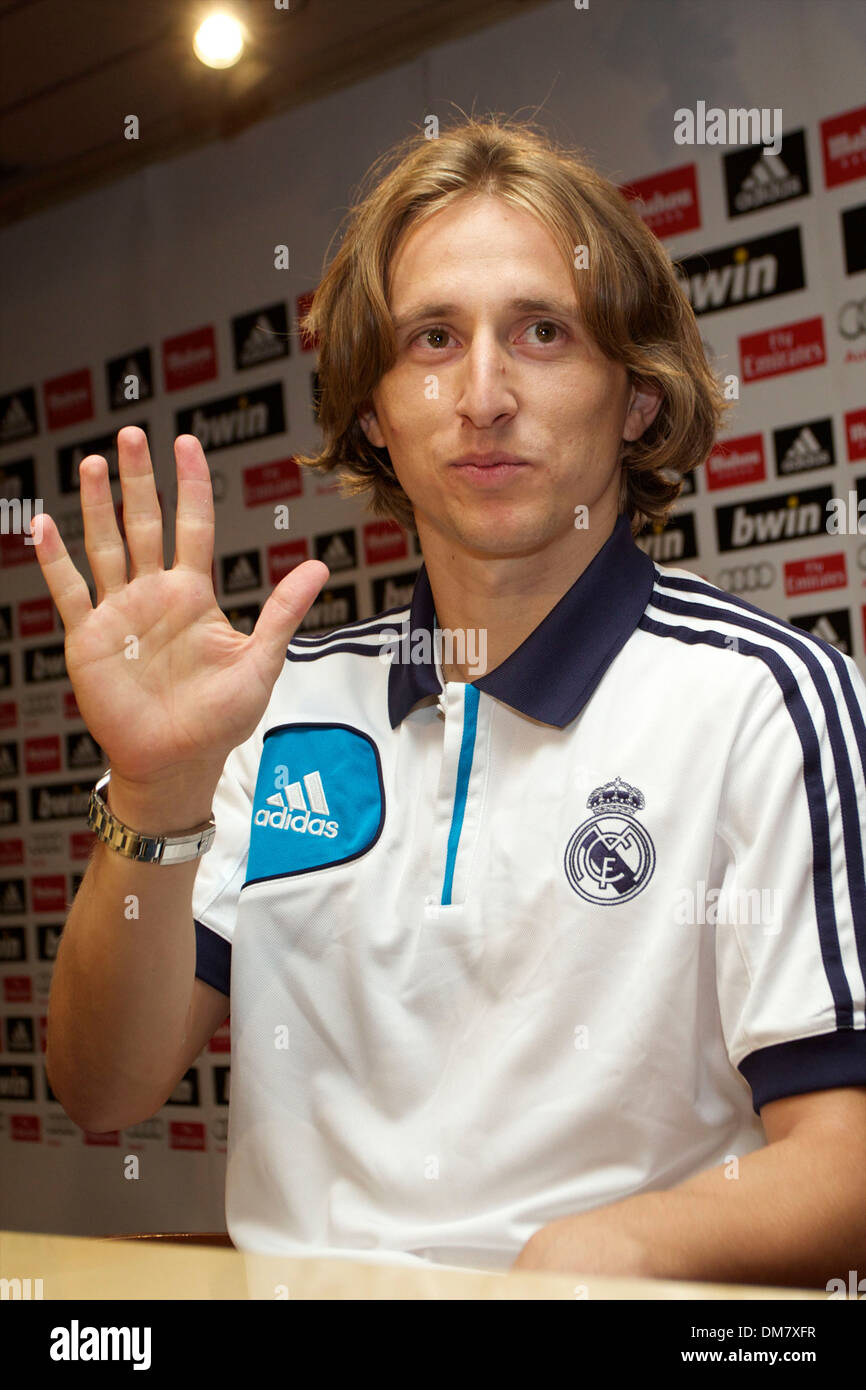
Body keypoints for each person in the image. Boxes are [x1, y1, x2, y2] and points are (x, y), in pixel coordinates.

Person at [37, 116, 866, 1285]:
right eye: (431, 339)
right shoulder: (274, 709)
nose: (481, 394)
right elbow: (103, 1086)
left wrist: (594, 1256)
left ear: (635, 394)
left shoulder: (761, 699)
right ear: (375, 409)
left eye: (540, 331)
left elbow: (845, 1159)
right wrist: (157, 789)